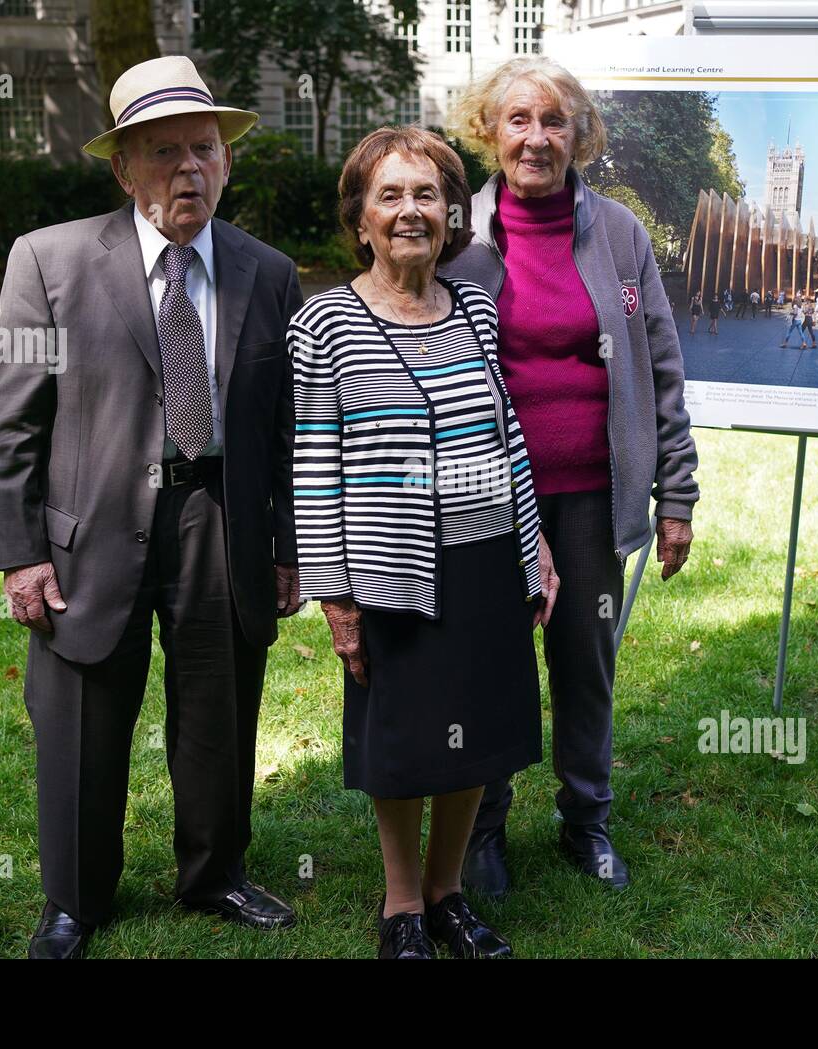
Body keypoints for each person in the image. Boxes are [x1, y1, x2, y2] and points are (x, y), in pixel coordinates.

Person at [0, 56, 303, 959]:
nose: (188, 169)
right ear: (123, 169)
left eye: (204, 148)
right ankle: (75, 899)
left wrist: (282, 543)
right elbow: (12, 422)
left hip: (221, 520)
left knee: (219, 707)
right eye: (163, 153)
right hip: (86, 532)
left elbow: (281, 425)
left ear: (227, 161)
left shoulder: (268, 274)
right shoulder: (44, 262)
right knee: (83, 713)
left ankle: (216, 873)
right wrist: (21, 551)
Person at [290, 126, 561, 958]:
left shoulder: (476, 305)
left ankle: (448, 895)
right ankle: (402, 904)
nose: (412, 211)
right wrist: (335, 593)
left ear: (451, 213)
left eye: (428, 194)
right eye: (391, 195)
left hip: (487, 559)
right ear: (361, 219)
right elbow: (313, 465)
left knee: (475, 734)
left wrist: (535, 545)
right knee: (403, 743)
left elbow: (507, 430)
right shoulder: (325, 321)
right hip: (391, 573)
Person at [445, 56, 699, 897]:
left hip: (592, 496)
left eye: (555, 121)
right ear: (489, 130)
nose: (537, 137)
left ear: (578, 134)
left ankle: (586, 819)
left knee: (585, 664)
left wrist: (677, 496)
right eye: (519, 120)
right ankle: (482, 828)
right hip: (490, 499)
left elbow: (661, 364)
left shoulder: (621, 235)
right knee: (491, 663)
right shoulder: (459, 237)